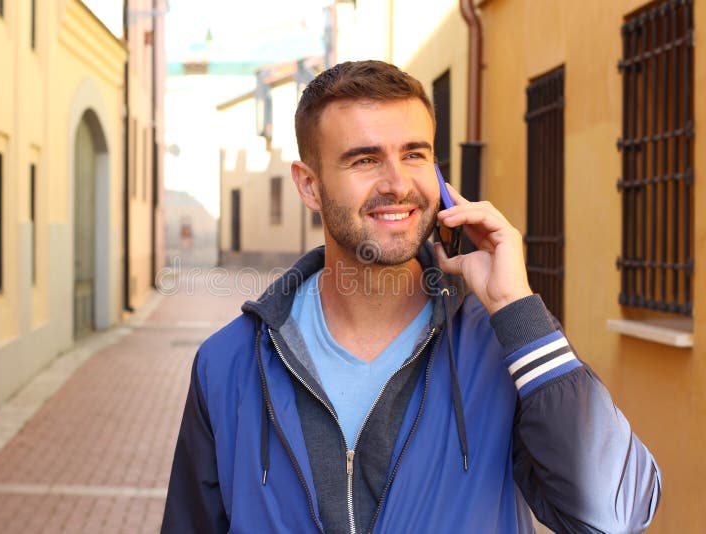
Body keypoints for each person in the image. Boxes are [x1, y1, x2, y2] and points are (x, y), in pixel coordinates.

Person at [161, 60, 661, 533]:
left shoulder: (505, 349)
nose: (397, 184)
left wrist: (518, 308)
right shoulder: (227, 366)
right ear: (309, 186)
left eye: (415, 154)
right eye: (365, 159)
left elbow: (613, 515)